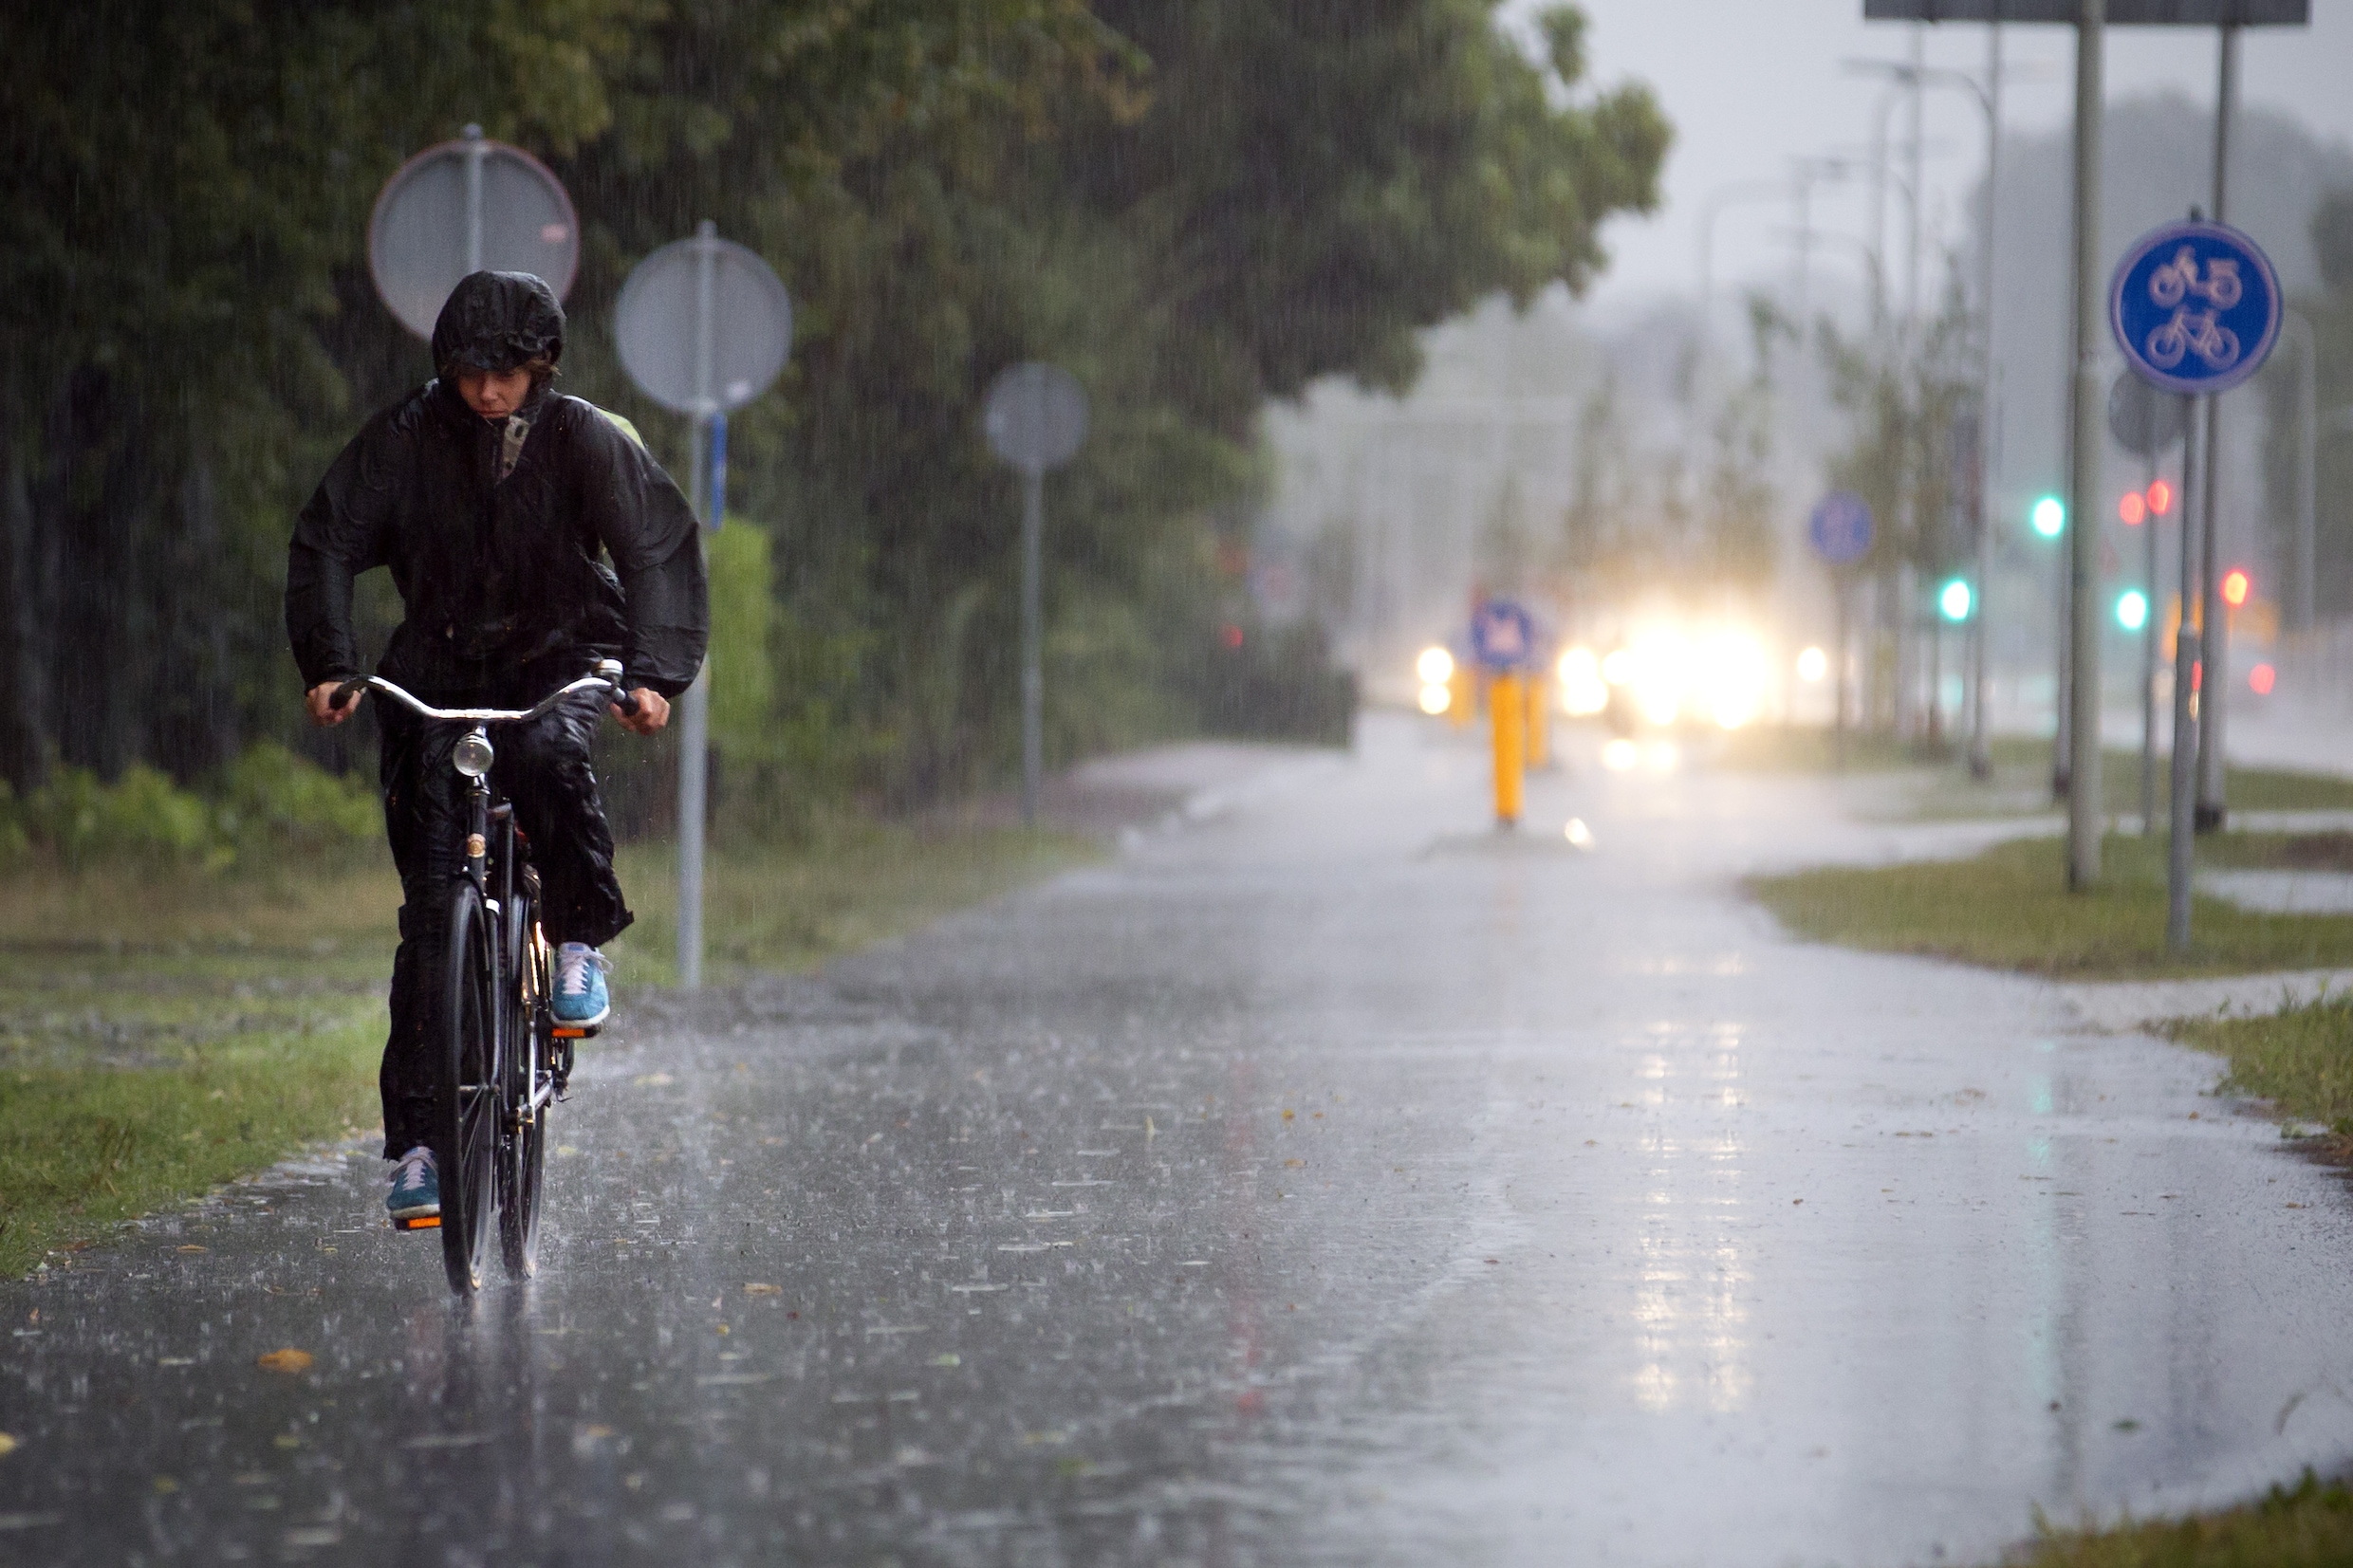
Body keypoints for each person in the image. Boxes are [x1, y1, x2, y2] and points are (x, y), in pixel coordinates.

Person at [286, 270, 708, 1226]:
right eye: (472, 373)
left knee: (551, 760)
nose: (488, 392)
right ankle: (423, 1149)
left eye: (508, 374)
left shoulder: (584, 439)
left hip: (561, 651)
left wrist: (652, 677)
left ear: (541, 367)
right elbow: (325, 543)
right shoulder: (402, 440)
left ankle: (577, 939)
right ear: (447, 366)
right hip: (433, 666)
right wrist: (329, 662)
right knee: (433, 920)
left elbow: (657, 547)